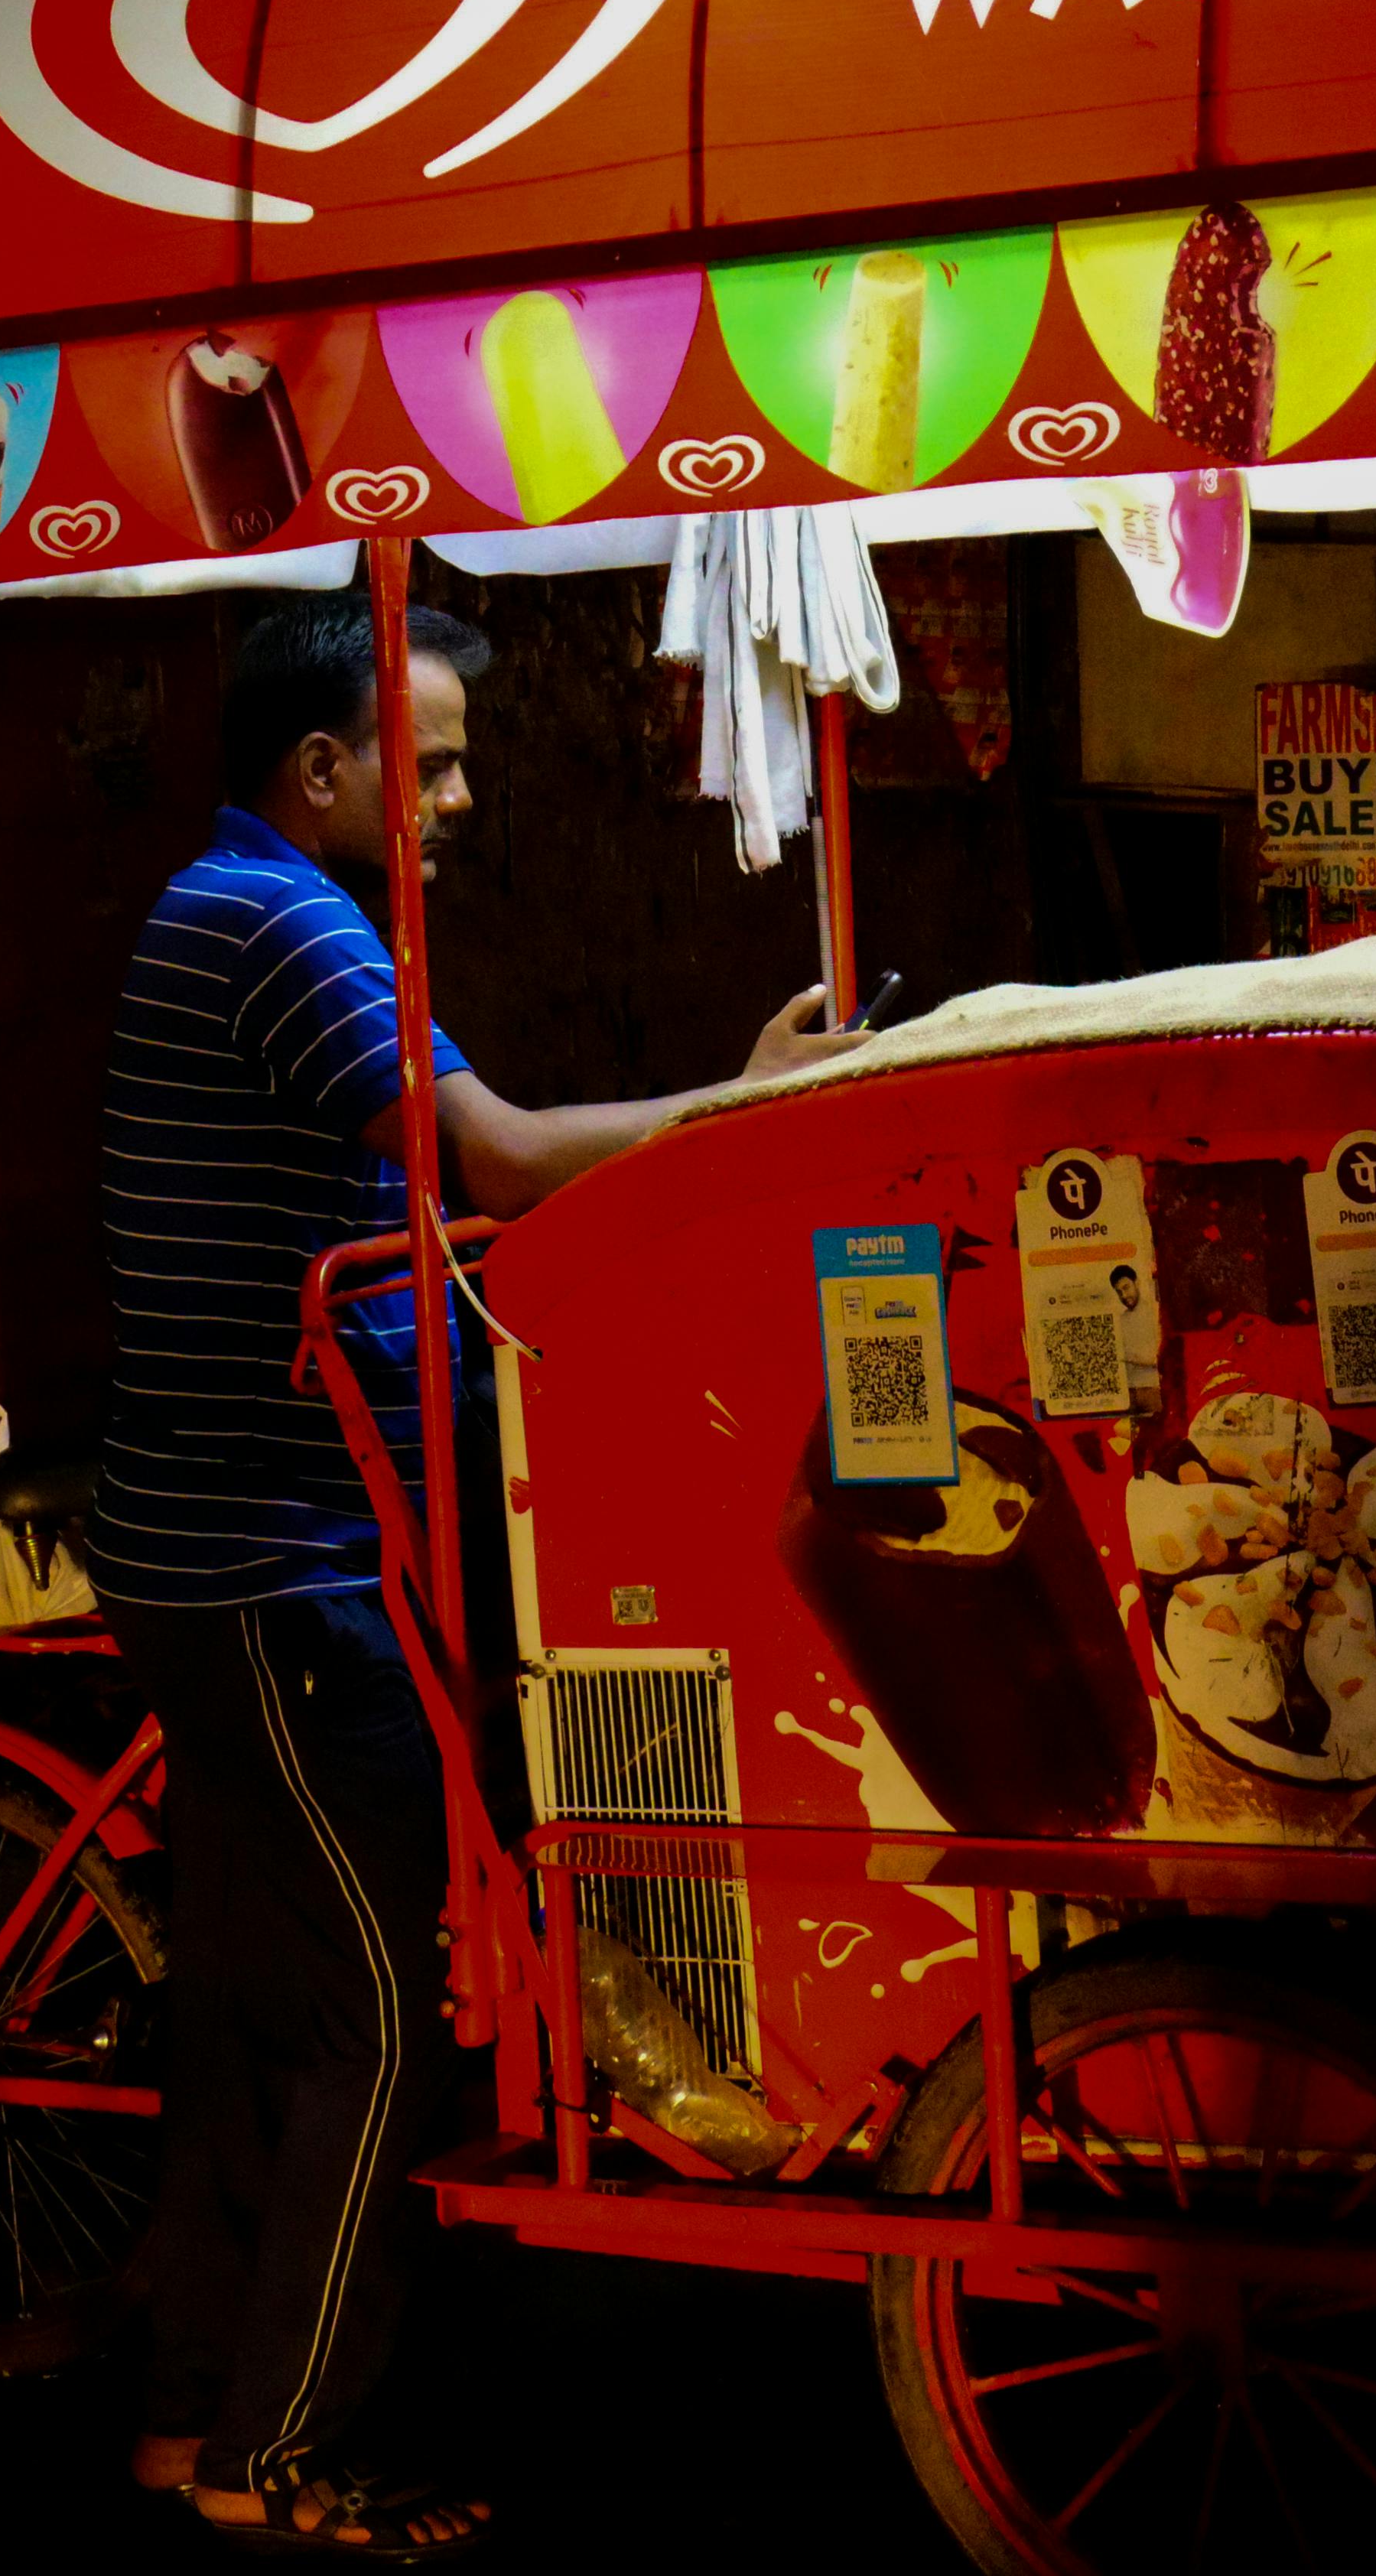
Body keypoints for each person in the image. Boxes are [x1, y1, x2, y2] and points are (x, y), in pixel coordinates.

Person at [99, 594, 864, 2553]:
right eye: (425, 764)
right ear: (322, 768)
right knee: (379, 2013)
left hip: (255, 1542)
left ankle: (190, 2428)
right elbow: (505, 1162)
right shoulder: (276, 926)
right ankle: (276, 2460)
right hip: (261, 1560)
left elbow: (472, 1169)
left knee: (258, 2022)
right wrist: (756, 1108)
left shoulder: (292, 913)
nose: (451, 798)